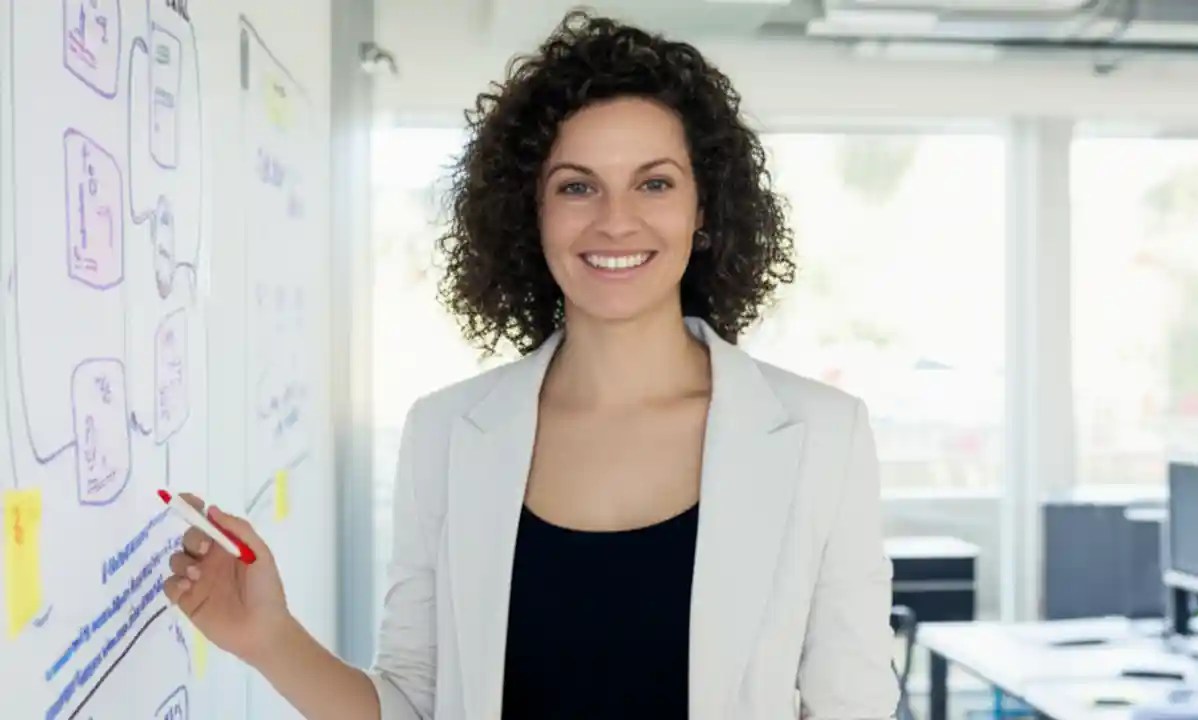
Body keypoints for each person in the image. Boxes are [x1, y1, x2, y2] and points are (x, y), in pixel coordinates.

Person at [162, 10, 898, 719]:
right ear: (531, 213)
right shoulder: (445, 433)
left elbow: (853, 709)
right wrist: (271, 641)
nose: (615, 219)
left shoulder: (823, 437)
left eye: (655, 183)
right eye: (576, 186)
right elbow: (416, 706)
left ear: (703, 210)